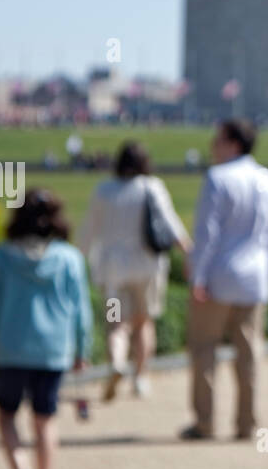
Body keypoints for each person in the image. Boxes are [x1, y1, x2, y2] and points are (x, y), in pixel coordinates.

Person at [0, 190, 92, 469]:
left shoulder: (1, 257)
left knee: (6, 415)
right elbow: (80, 309)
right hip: (53, 349)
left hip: (9, 347)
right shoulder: (69, 258)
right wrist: (82, 349)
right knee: (45, 420)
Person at [181, 119, 268, 441]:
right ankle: (246, 422)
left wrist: (197, 275)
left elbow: (207, 233)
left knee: (204, 350)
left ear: (233, 144)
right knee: (249, 353)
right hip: (255, 275)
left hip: (219, 275)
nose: (213, 145)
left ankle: (205, 421)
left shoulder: (217, 178)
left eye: (219, 140)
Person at [78, 141, 190, 400]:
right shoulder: (152, 187)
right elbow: (170, 222)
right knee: (143, 321)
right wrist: (187, 250)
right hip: (147, 268)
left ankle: (117, 361)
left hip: (112, 272)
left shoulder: (103, 191)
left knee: (116, 322)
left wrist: (78, 257)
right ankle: (140, 377)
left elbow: (88, 230)